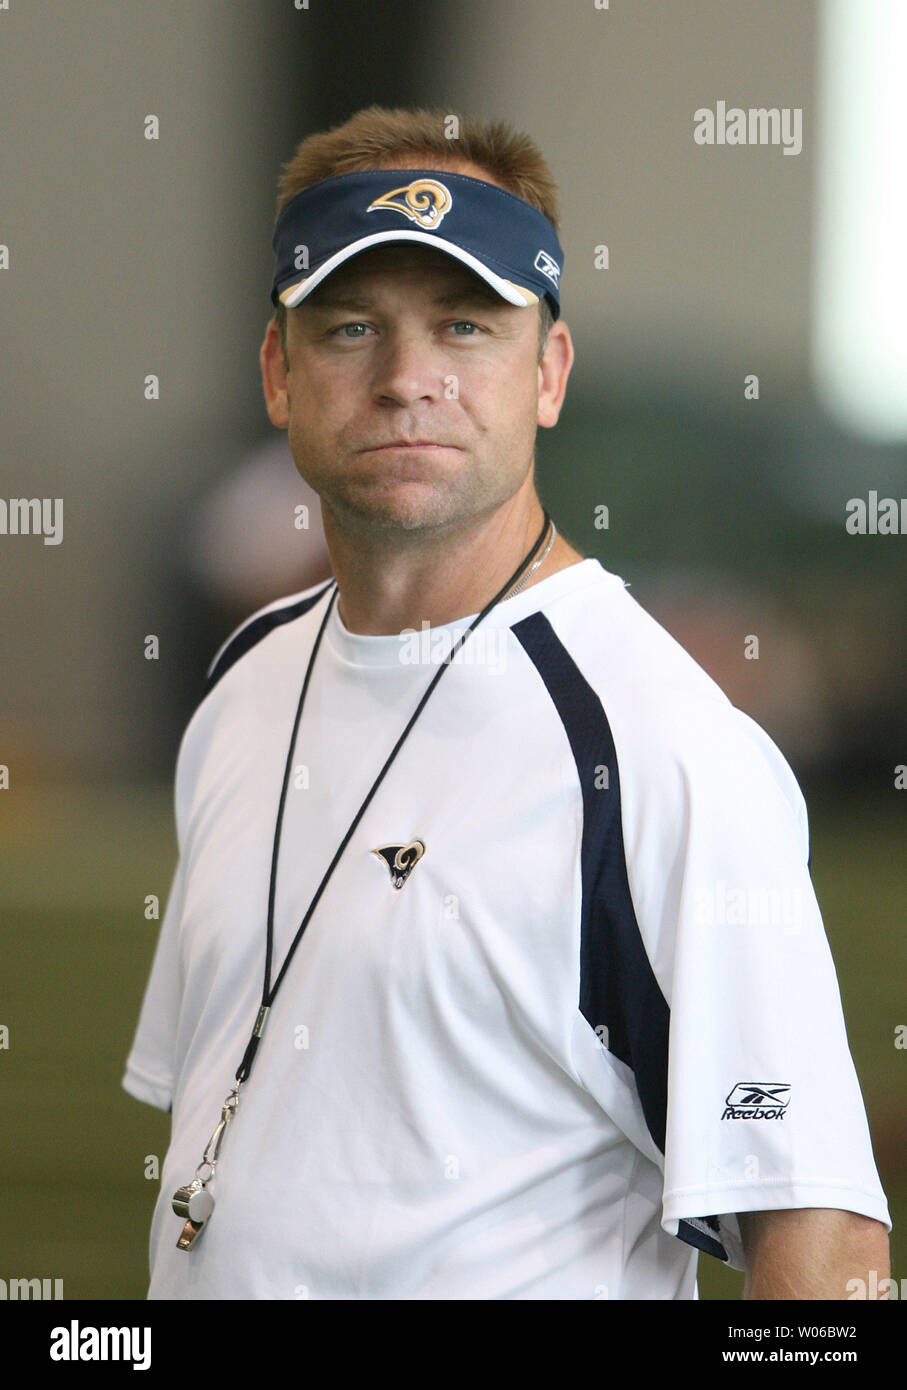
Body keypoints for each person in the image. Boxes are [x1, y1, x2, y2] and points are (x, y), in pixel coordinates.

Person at [123, 105, 891, 1300]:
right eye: (351, 327)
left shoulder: (662, 746)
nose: (405, 380)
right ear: (279, 372)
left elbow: (823, 1245)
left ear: (548, 373)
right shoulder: (246, 682)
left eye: (466, 326)